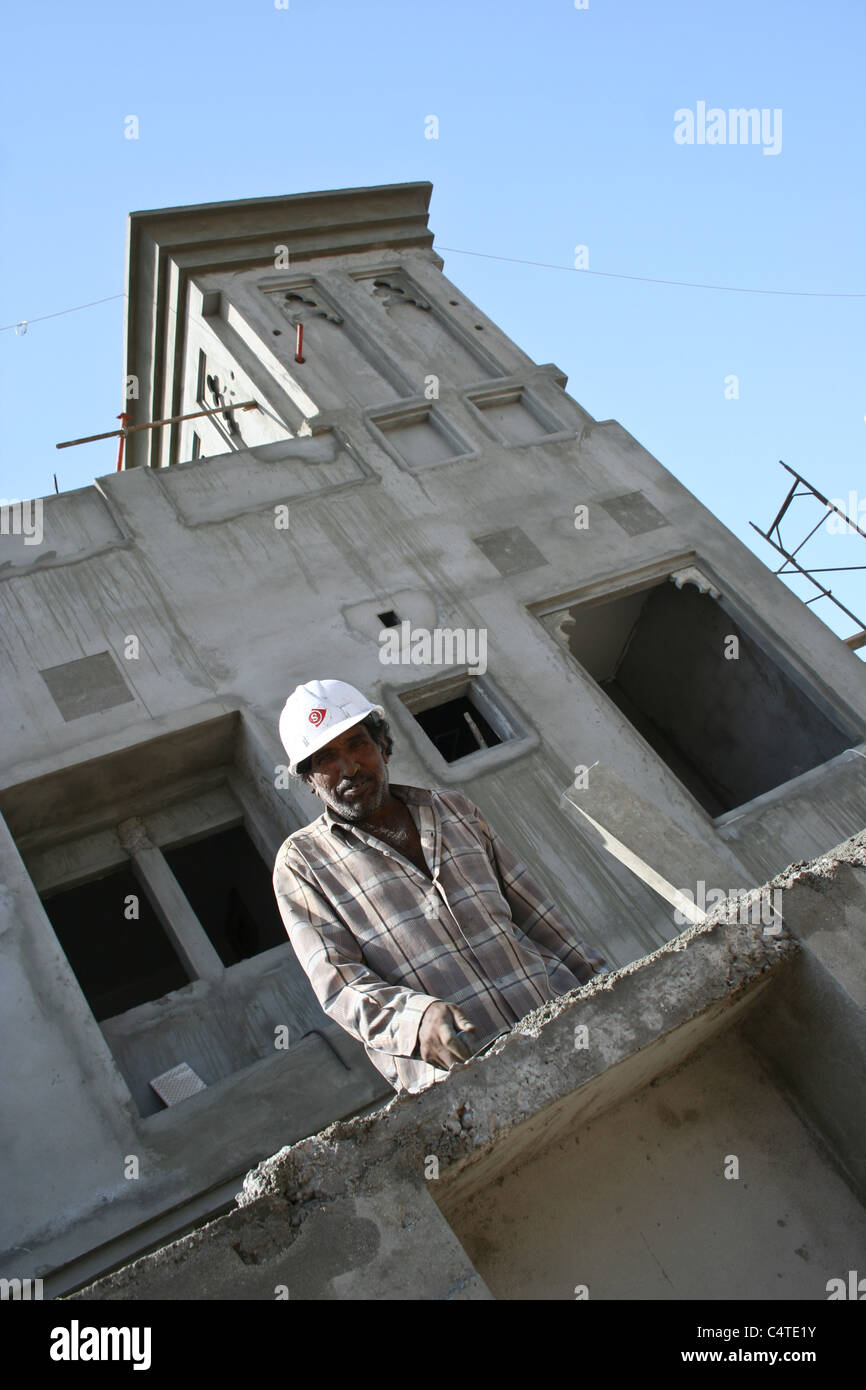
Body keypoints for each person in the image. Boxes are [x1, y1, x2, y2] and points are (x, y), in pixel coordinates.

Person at [272, 678, 607, 1094]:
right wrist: (416, 1021)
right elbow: (339, 984)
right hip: (464, 1083)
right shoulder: (302, 864)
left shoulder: (454, 809)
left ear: (383, 746)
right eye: (326, 757)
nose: (349, 768)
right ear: (309, 778)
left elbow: (536, 913)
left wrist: (604, 983)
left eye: (357, 744)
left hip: (566, 1026)